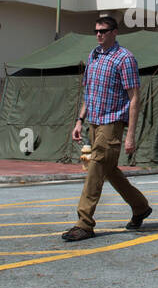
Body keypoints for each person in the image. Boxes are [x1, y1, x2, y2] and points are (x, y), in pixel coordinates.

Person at [61, 15, 152, 241]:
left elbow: (134, 98)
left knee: (96, 168)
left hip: (112, 124)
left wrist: (130, 135)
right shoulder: (93, 56)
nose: (99, 34)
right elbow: (88, 93)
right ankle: (140, 207)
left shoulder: (124, 59)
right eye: (96, 31)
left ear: (114, 32)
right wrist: (80, 120)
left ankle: (84, 223)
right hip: (94, 121)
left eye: (103, 30)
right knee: (109, 170)